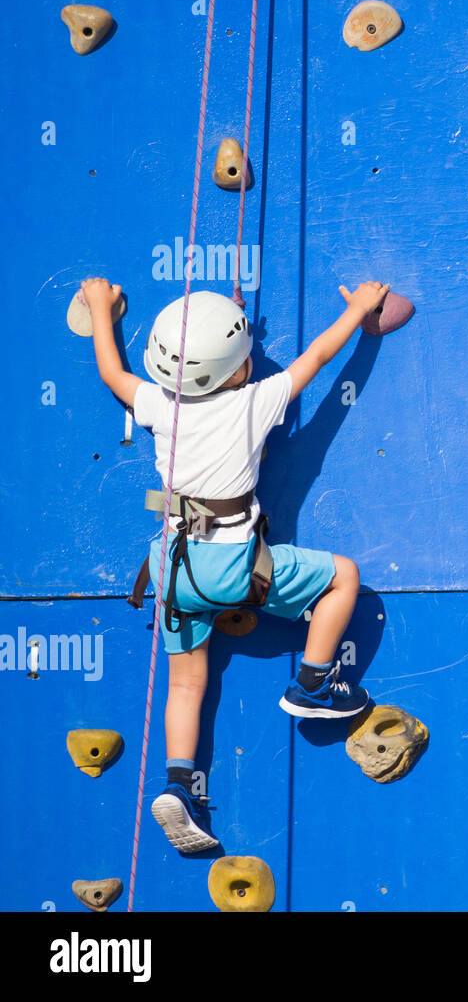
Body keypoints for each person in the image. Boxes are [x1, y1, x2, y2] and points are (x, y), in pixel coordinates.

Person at [80, 277, 390, 853]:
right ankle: (315, 682)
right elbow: (318, 357)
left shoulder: (155, 402)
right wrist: (359, 311)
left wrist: (101, 307)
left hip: (173, 570)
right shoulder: (257, 400)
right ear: (240, 371)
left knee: (187, 682)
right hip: (232, 566)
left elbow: (112, 374)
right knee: (342, 577)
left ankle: (178, 783)